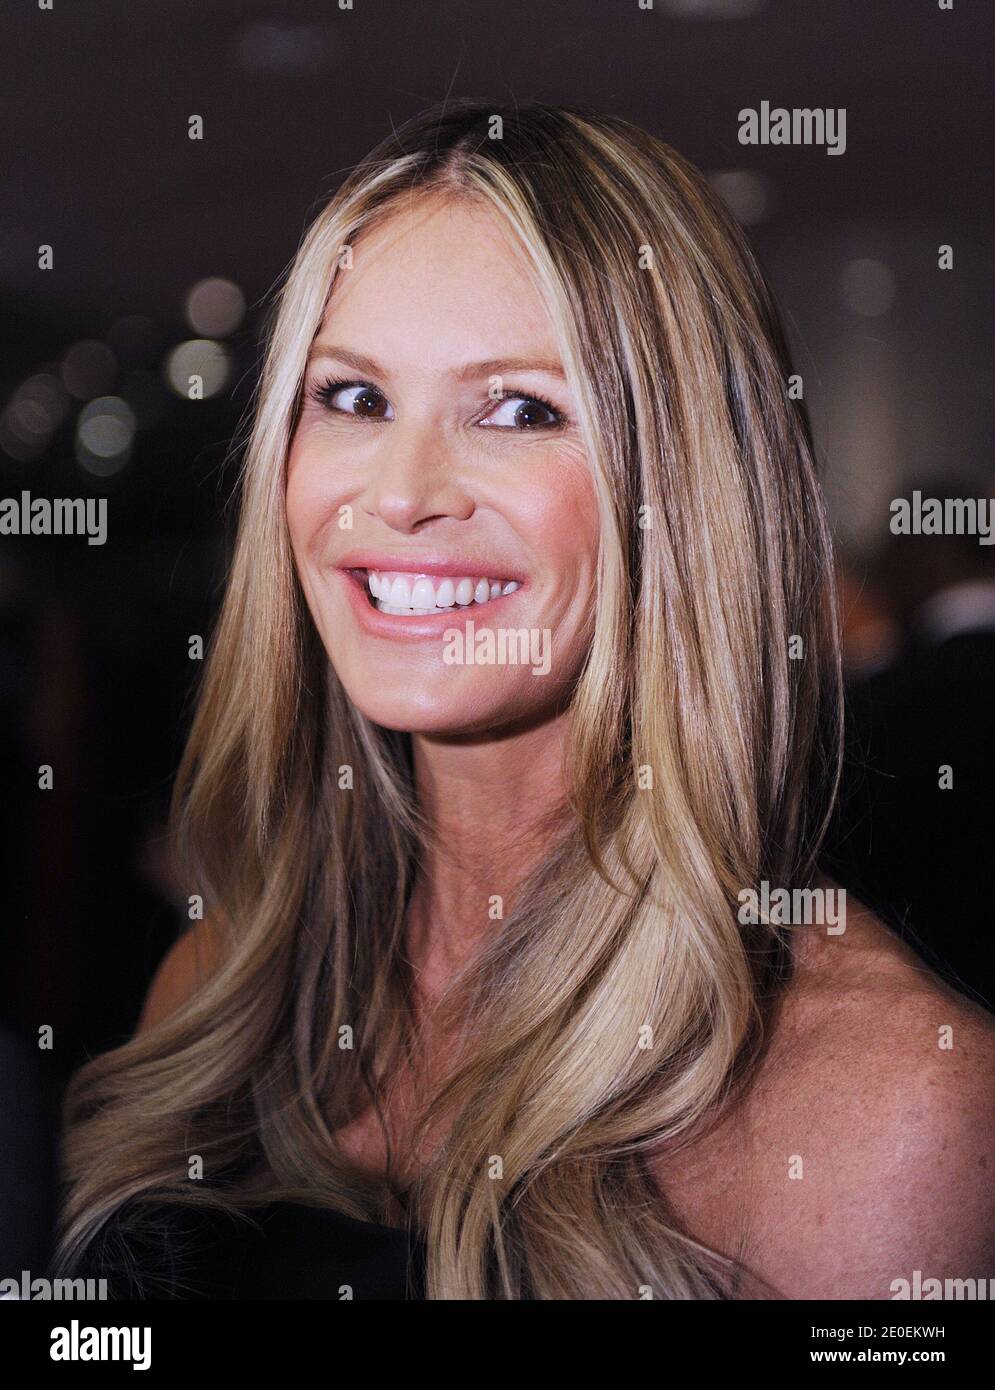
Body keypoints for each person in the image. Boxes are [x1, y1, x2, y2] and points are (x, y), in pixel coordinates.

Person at [50, 99, 995, 1300]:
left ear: (685, 488)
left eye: (518, 410)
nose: (398, 493)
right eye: (352, 397)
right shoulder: (218, 983)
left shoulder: (893, 1105)